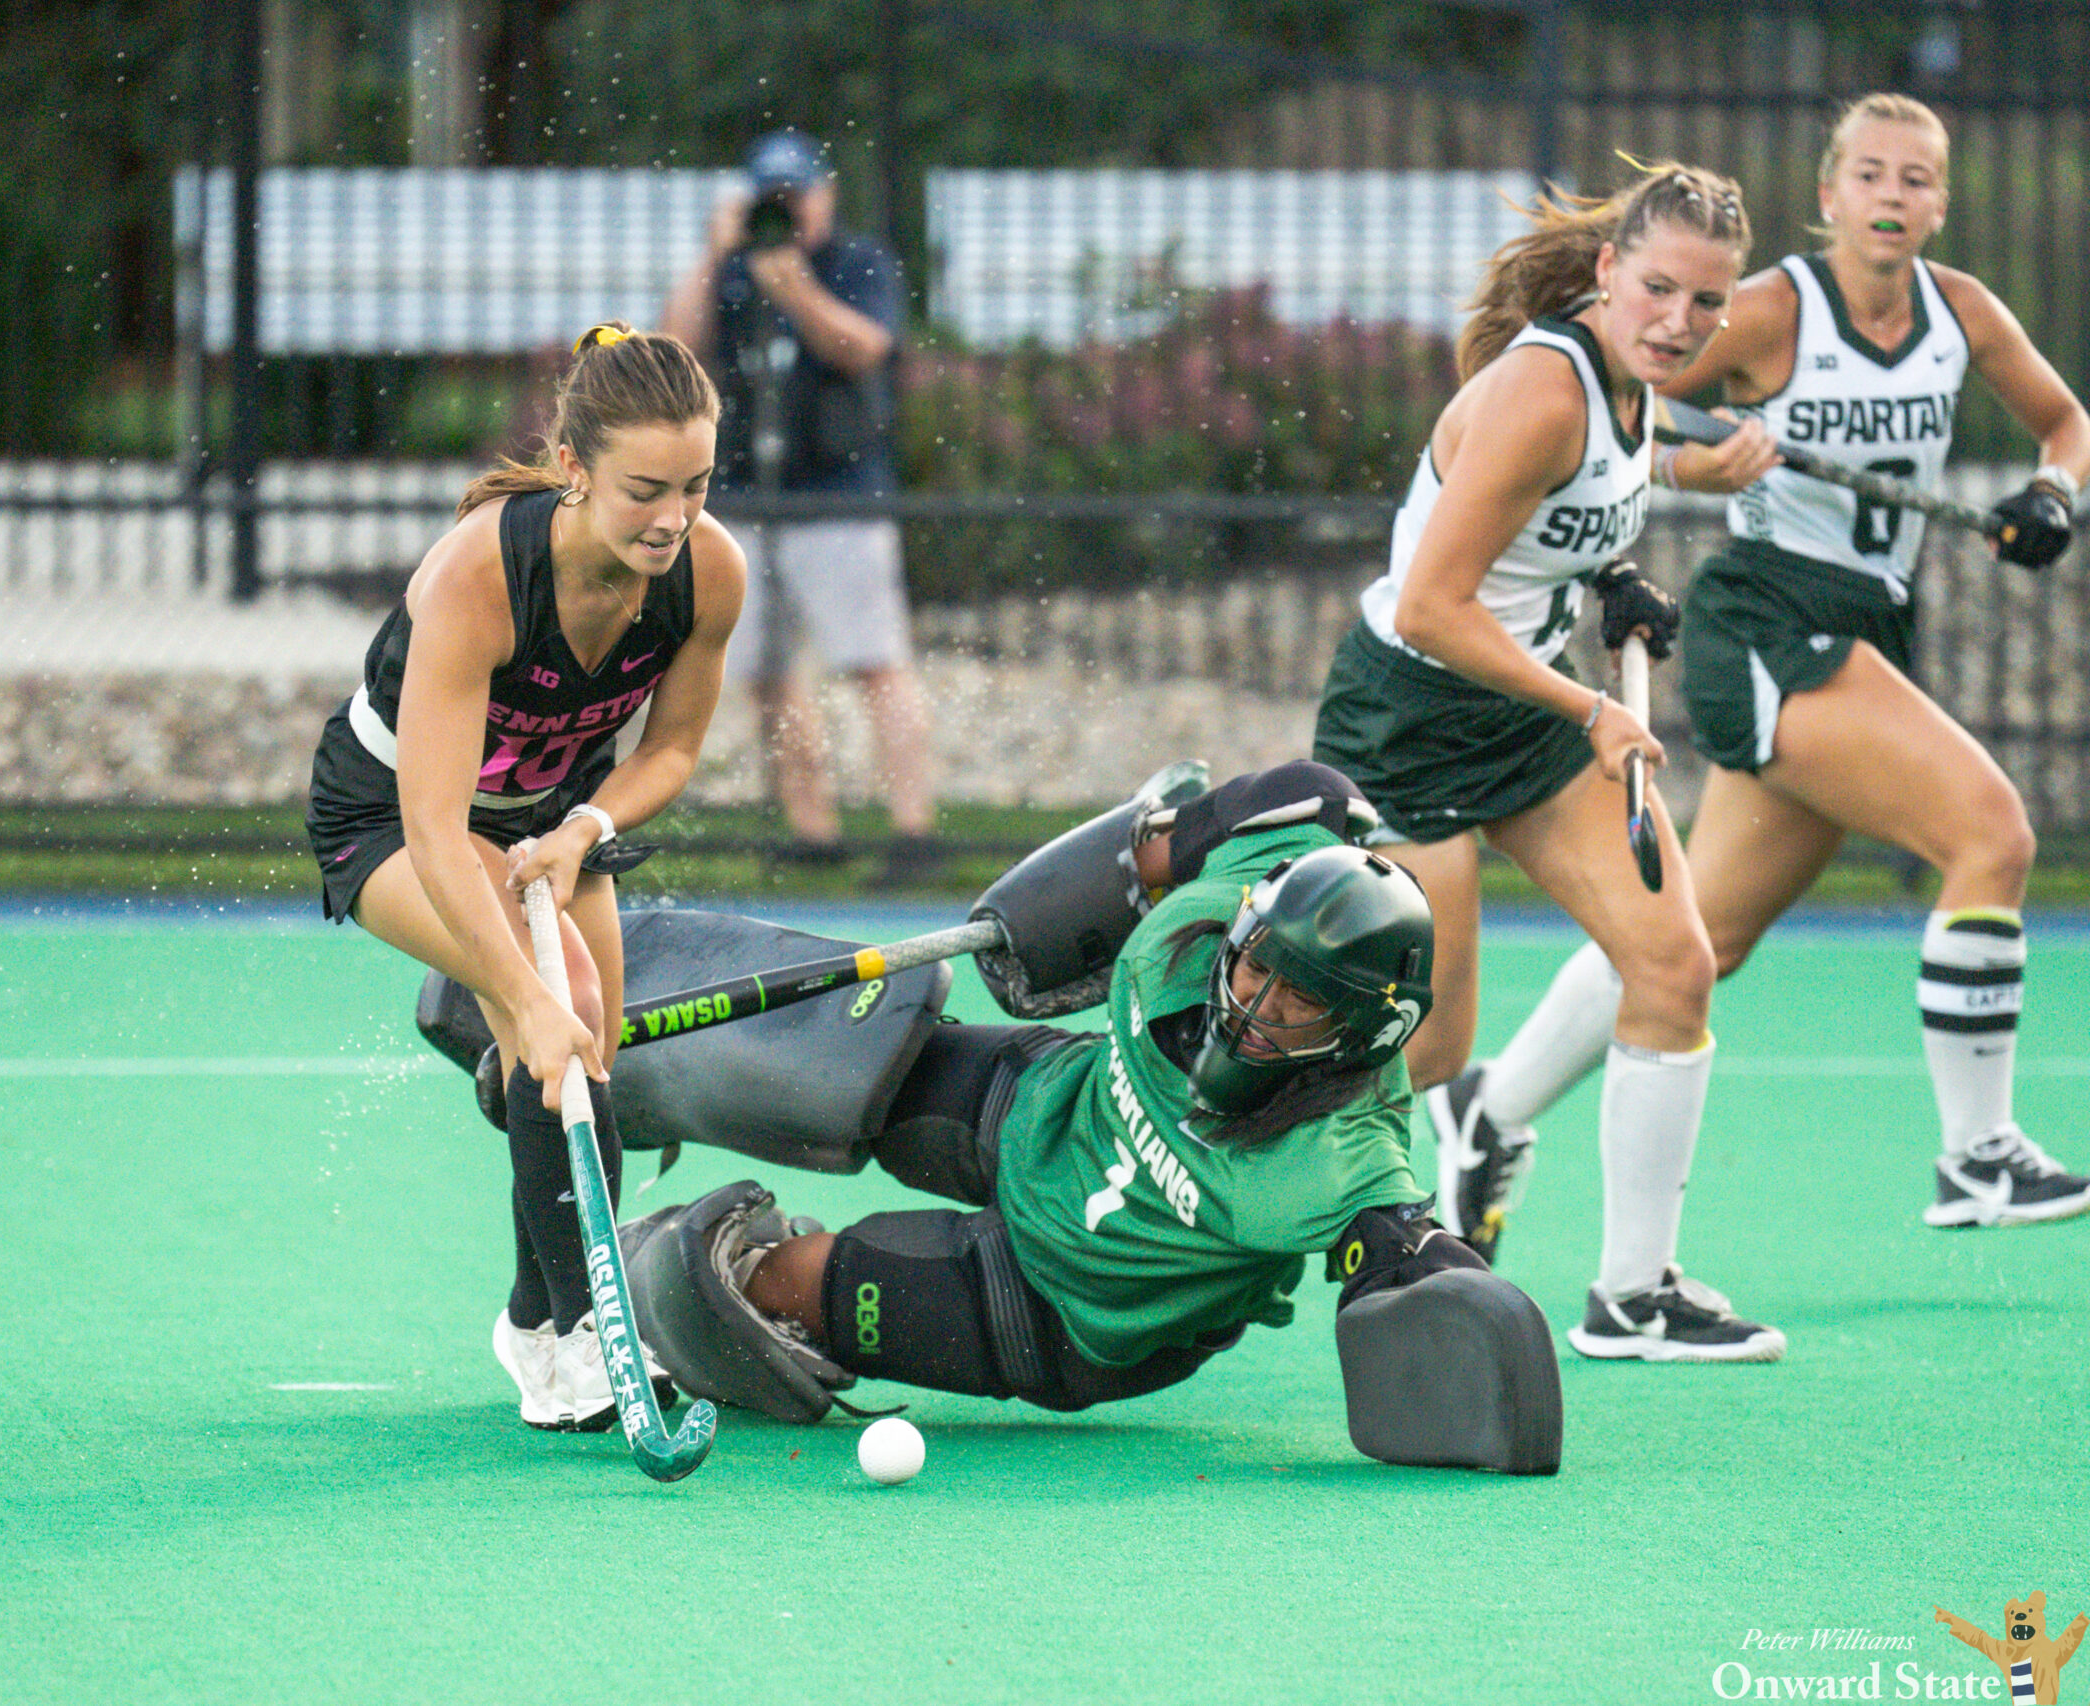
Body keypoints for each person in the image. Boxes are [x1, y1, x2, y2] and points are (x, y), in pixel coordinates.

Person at [1430, 95, 2090, 1247]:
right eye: (1870, 175)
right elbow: (1616, 398)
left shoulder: (1962, 313)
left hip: (1869, 624)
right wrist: (1701, 457)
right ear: (1828, 195)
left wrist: (2052, 496)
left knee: (1695, 941)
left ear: (1941, 201)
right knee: (1993, 830)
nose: (1892, 196)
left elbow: (2065, 423)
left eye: (1917, 178)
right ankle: (1977, 1154)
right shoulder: (1770, 312)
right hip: (1769, 621)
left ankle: (1481, 1109)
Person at [615, 764, 1565, 1475]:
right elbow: (1295, 804)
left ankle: (693, 1285)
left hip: (1054, 1306)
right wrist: (1179, 827)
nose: (1256, 1001)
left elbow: (1417, 1266)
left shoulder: (1347, 1162)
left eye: (1301, 1001)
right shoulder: (1212, 905)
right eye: (1255, 964)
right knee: (828, 1056)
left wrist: (1444, 1300)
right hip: (1043, 1105)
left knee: (753, 1282)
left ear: (1362, 1032)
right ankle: (618, 1045)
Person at [1306, 162, 1794, 1363]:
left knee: (1674, 962)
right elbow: (1428, 601)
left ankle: (1633, 1292)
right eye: (1660, 290)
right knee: (1428, 1047)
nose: (1681, 322)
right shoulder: (1542, 388)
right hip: (1412, 715)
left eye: (1707, 303)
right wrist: (1589, 706)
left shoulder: (1634, 390)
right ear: (1605, 273)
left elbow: (1567, 514)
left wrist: (1619, 563)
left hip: (1515, 711)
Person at [303, 323, 744, 1433]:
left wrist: (588, 823)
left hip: (553, 820)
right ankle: (578, 1336)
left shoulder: (707, 571)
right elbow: (437, 826)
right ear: (573, 469)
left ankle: (533, 1323)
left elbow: (673, 748)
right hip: (395, 821)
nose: (673, 516)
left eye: (694, 484)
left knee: (585, 1058)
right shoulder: (478, 574)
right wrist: (526, 999)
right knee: (561, 1018)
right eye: (645, 488)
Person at [661, 127, 941, 879]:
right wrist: (715, 254)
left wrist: (794, 287)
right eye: (772, 201)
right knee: (768, 673)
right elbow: (673, 347)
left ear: (826, 193)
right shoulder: (732, 270)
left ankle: (915, 832)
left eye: (797, 196)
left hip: (840, 495)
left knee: (875, 663)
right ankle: (813, 831)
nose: (787, 213)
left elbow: (865, 347)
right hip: (750, 494)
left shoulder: (857, 263)